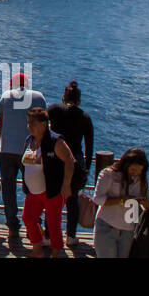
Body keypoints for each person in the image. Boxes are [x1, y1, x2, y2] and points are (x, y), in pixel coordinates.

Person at [0, 71, 45, 241]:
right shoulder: (38, 97)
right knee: (34, 189)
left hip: (7, 150)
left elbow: (0, 125)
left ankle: (12, 227)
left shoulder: (6, 96)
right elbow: (45, 124)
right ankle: (36, 225)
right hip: (30, 150)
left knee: (8, 189)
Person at [21, 106, 75, 258]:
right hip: (33, 192)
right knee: (28, 218)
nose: (29, 126)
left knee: (53, 223)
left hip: (51, 191)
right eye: (28, 122)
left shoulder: (54, 141)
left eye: (33, 123)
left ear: (44, 124)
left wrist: (66, 184)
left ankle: (56, 252)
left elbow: (70, 161)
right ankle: (37, 249)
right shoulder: (29, 140)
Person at [48, 80, 94, 248]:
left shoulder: (53, 110)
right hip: (75, 160)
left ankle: (48, 233)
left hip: (54, 158)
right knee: (72, 199)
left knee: (52, 197)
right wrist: (87, 167)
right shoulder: (85, 117)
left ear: (63, 98)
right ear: (79, 101)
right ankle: (71, 236)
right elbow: (89, 146)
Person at [93, 149, 149, 258]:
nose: (136, 173)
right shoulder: (109, 174)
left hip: (128, 230)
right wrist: (122, 200)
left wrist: (146, 205)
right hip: (107, 226)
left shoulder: (141, 180)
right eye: (133, 169)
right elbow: (97, 199)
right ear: (126, 164)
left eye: (140, 170)